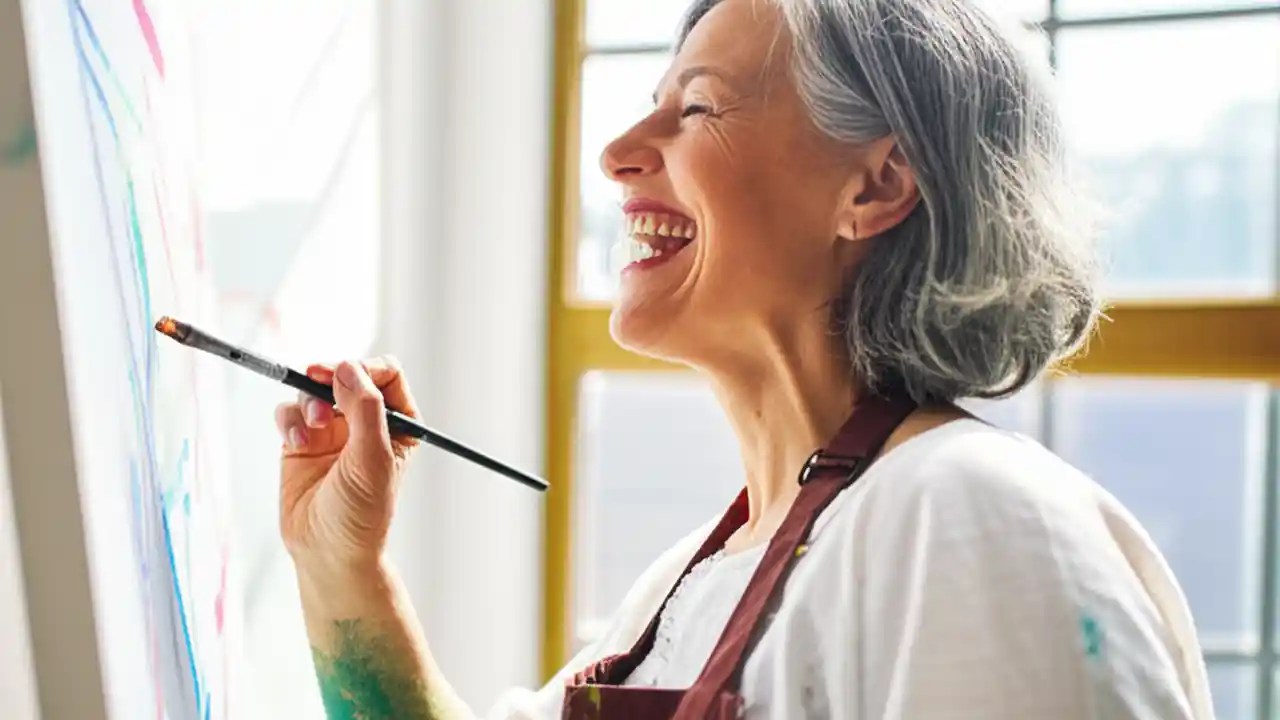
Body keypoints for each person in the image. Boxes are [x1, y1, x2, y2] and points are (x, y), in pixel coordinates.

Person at [272, 0, 1214, 717]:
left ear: (876, 184)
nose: (617, 153)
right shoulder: (691, 580)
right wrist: (338, 566)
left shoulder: (973, 518)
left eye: (697, 108)